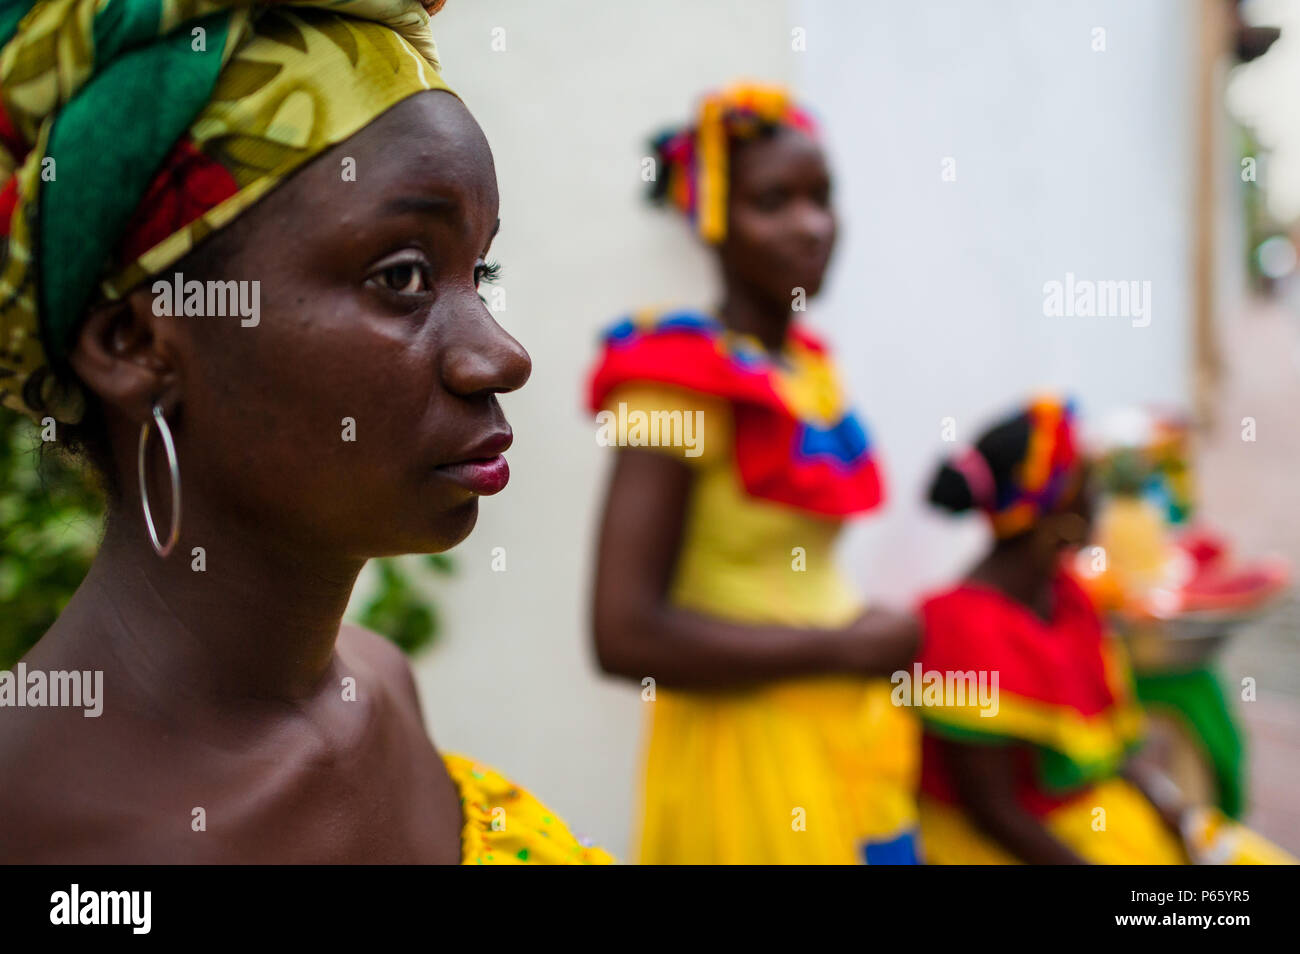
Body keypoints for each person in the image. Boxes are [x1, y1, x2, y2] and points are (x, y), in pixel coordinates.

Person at [0, 0, 609, 864]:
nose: (500, 358)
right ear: (136, 344)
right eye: (401, 274)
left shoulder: (382, 690)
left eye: (483, 271)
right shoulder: (40, 833)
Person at [587, 83, 919, 864]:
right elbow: (621, 634)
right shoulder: (673, 381)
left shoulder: (804, 373)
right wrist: (840, 647)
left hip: (849, 739)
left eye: (821, 197)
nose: (812, 226)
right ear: (713, 224)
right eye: (774, 202)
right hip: (746, 759)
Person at [918, 395, 1293, 864]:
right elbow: (994, 812)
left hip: (1099, 823)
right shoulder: (962, 629)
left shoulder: (1068, 597)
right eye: (1087, 483)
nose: (1098, 498)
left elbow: (1112, 746)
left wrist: (1176, 814)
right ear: (1049, 510)